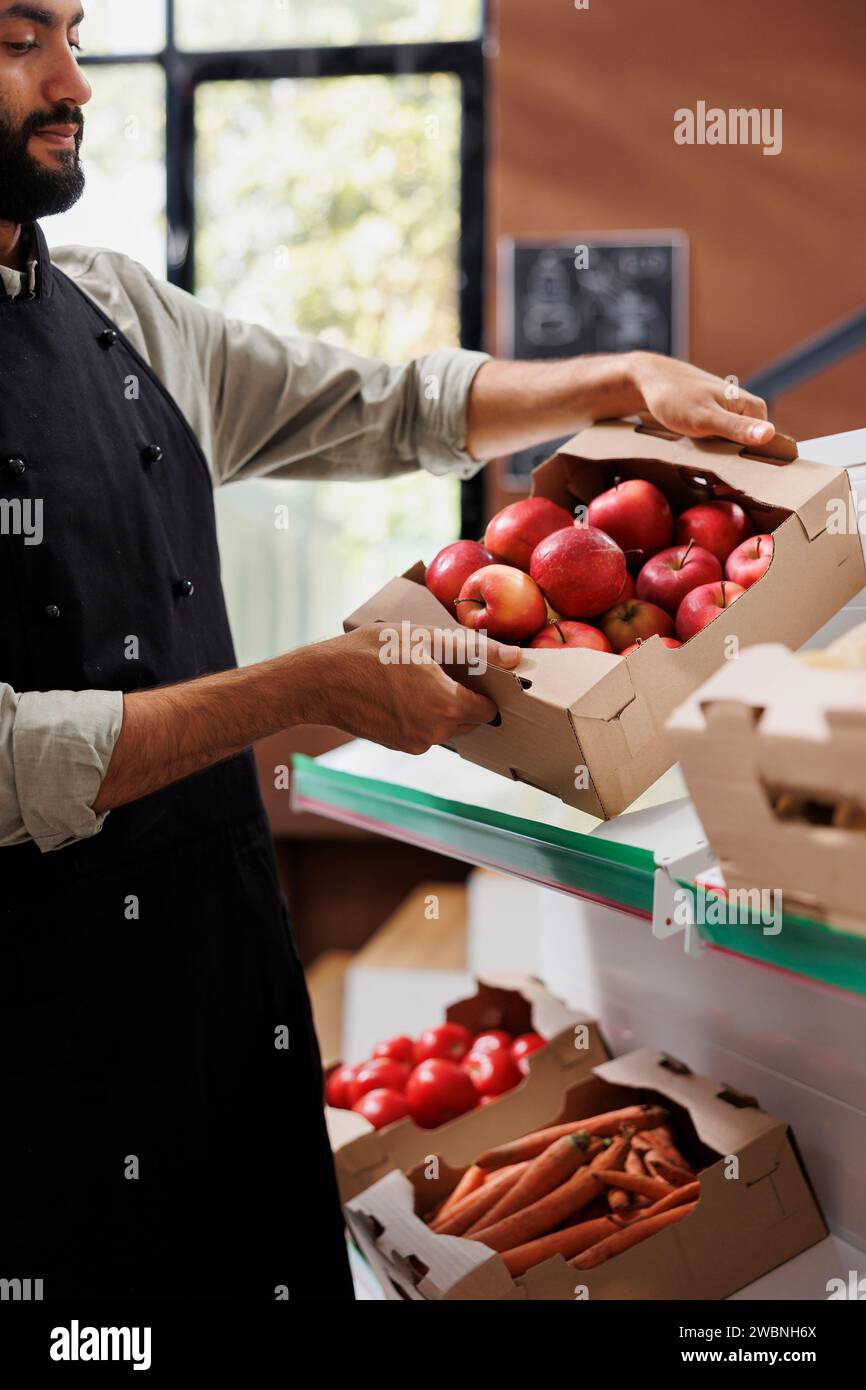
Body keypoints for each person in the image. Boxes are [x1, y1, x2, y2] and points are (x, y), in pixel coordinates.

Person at [0, 1, 775, 1302]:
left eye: (76, 32)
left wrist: (613, 382)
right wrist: (306, 684)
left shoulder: (112, 307)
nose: (74, 78)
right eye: (23, 37)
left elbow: (379, 404)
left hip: (215, 961)